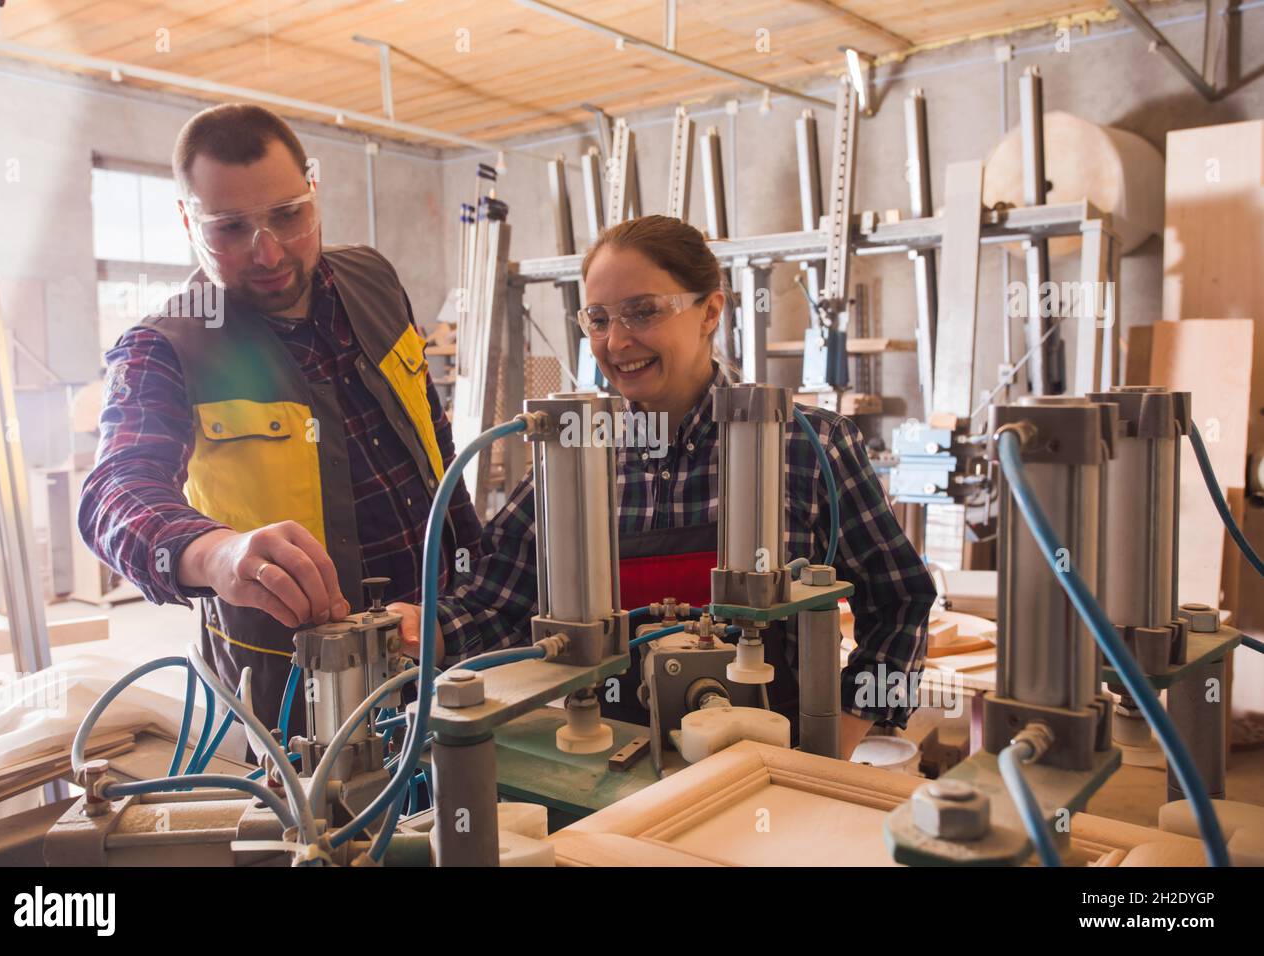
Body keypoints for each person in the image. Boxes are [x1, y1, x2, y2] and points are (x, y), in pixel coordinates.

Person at [396, 215, 935, 756]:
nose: (617, 341)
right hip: (608, 765)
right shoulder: (574, 458)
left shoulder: (805, 445)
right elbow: (500, 601)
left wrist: (837, 734)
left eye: (643, 311)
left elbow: (901, 600)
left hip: (774, 771)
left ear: (710, 312)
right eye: (599, 319)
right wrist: (424, 628)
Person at [78, 104, 481, 733]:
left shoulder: (373, 279)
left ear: (313, 193)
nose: (267, 252)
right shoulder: (167, 346)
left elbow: (432, 432)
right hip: (297, 686)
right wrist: (216, 554)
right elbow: (113, 494)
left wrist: (476, 569)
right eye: (230, 228)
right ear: (188, 222)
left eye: (288, 216)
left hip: (443, 633)